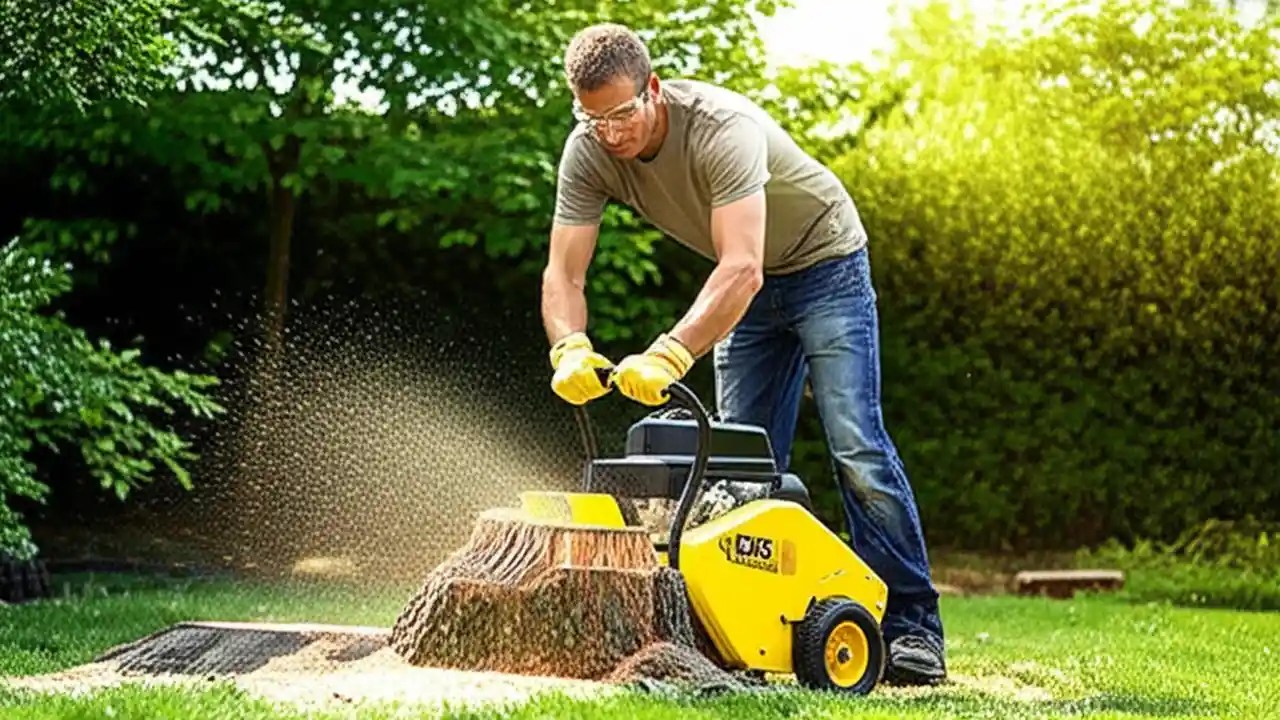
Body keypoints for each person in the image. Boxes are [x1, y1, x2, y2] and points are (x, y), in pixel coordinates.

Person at [538, 22, 946, 686]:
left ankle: (912, 629)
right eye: (593, 119)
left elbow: (743, 267)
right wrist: (569, 346)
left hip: (824, 264)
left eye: (621, 114)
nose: (609, 133)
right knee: (738, 469)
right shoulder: (588, 151)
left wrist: (671, 354)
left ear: (653, 89)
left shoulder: (721, 128)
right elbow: (565, 272)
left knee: (857, 445)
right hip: (748, 287)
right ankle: (746, 635)